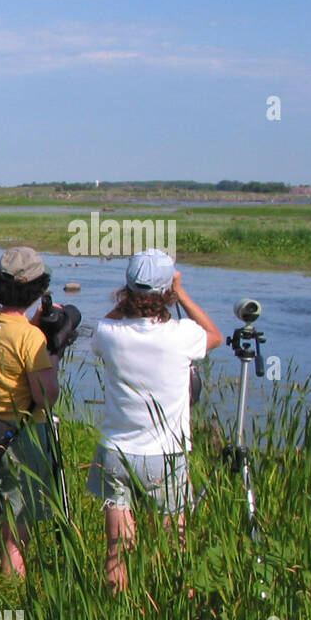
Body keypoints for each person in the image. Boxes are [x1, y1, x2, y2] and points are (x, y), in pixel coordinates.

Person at [88, 249, 221, 594]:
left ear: (127, 290)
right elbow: (215, 335)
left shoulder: (109, 332)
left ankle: (116, 611)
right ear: (167, 293)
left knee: (116, 549)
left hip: (116, 454)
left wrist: (130, 299)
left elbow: (107, 323)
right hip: (167, 456)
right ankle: (177, 610)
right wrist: (182, 295)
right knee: (174, 547)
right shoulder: (182, 335)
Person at [0, 246, 61, 577]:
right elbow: (46, 396)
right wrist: (53, 358)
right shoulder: (31, 337)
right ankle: (11, 588)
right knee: (17, 525)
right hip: (20, 435)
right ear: (37, 289)